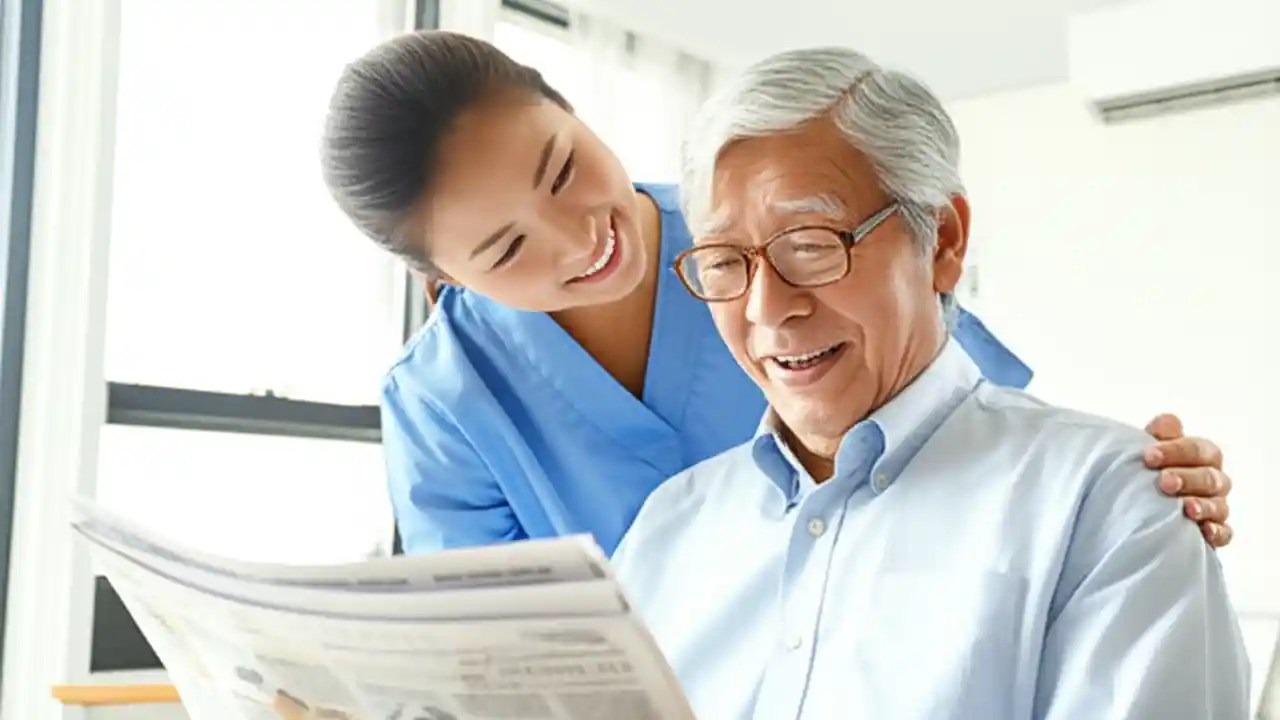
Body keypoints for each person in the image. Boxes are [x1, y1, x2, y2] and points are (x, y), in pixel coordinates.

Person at [320, 31, 1234, 557]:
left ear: (572, 105)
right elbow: (489, 660)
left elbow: (984, 430)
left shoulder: (781, 221)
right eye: (507, 246)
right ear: (445, 282)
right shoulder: (445, 400)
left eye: (563, 168)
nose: (579, 236)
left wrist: (1120, 493)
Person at [610, 46, 1249, 718]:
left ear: (942, 240)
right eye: (723, 261)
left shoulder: (1104, 504)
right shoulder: (668, 527)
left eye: (811, 245)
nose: (767, 309)